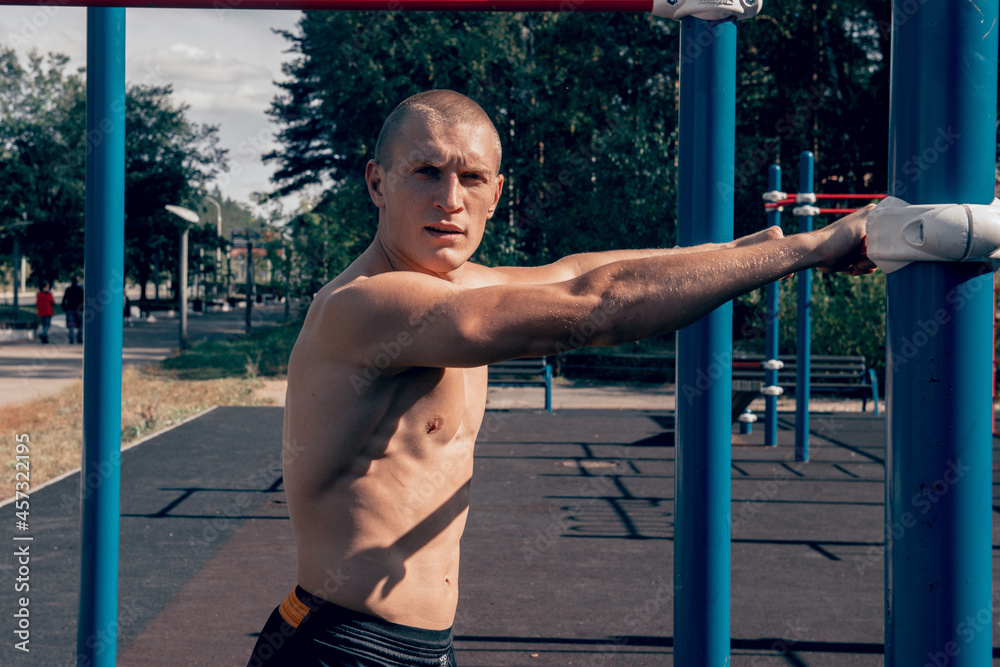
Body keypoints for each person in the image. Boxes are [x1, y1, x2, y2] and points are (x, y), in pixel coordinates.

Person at [247, 90, 874, 667]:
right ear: (378, 183)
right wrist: (809, 250)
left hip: (425, 646)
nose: (450, 199)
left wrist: (743, 252)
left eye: (471, 178)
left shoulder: (466, 283)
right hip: (340, 644)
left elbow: (583, 268)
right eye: (426, 172)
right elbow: (591, 307)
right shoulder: (366, 306)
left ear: (496, 193)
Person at [62, 276, 84, 344]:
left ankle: (71, 338)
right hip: (78, 309)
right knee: (80, 325)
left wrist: (64, 307)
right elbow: (83, 300)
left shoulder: (68, 289)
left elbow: (65, 299)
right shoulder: (80, 289)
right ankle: (79, 338)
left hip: (70, 309)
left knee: (71, 325)